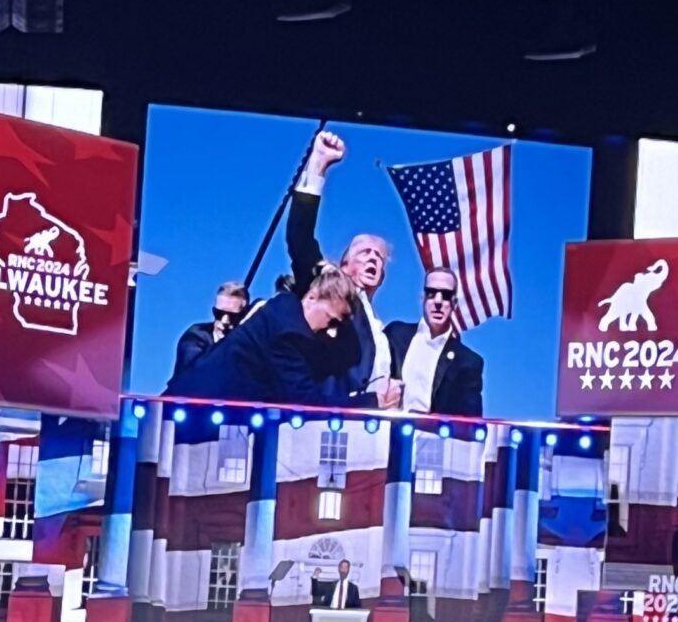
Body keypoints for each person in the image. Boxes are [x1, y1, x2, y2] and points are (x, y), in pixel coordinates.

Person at [284, 130, 397, 404]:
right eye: (364, 252)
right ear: (344, 264)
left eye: (379, 257)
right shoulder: (332, 290)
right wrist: (318, 166)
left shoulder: (382, 329)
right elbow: (300, 240)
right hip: (331, 422)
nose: (373, 258)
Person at [175, 265, 362, 410]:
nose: (331, 331)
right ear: (311, 298)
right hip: (186, 424)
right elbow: (306, 401)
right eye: (330, 320)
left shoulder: (279, 316)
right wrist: (370, 402)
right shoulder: (287, 335)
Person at [385, 266, 484, 415]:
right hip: (386, 434)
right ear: (422, 299)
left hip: (433, 437)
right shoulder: (395, 334)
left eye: (445, 295)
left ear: (454, 303)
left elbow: (471, 422)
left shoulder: (468, 362)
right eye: (431, 293)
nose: (438, 301)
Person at [169, 281, 251, 384]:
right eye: (219, 313)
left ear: (243, 315)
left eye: (233, 316)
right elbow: (193, 372)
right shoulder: (196, 335)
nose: (225, 320)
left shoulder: (249, 343)